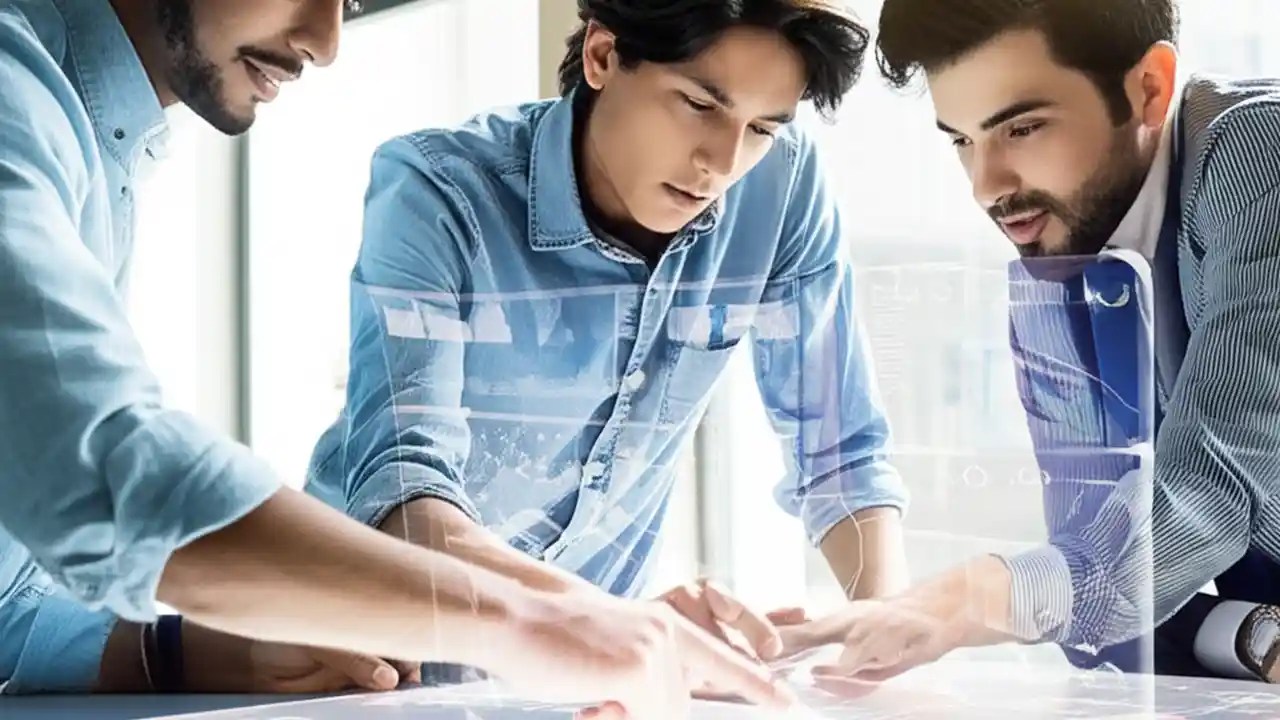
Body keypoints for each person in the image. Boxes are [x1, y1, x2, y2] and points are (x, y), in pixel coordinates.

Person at [0, 0, 793, 711]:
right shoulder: (12, 94)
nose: (326, 39)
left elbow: (14, 595)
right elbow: (105, 471)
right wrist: (527, 618)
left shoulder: (82, 133)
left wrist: (175, 649)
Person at [306, 0, 910, 678]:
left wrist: (879, 629)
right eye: (698, 105)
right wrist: (616, 623)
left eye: (763, 126)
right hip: (367, 662)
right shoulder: (438, 190)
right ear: (601, 55)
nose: (722, 163)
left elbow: (838, 452)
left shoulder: (783, 187)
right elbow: (405, 492)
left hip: (582, 678)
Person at [771, 0, 1280, 687]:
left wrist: (967, 600)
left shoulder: (1259, 156)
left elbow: (1211, 488)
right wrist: (1257, 633)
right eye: (961, 140)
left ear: (1150, 89)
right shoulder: (1063, 247)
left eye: (1023, 127)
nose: (988, 187)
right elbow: (1099, 609)